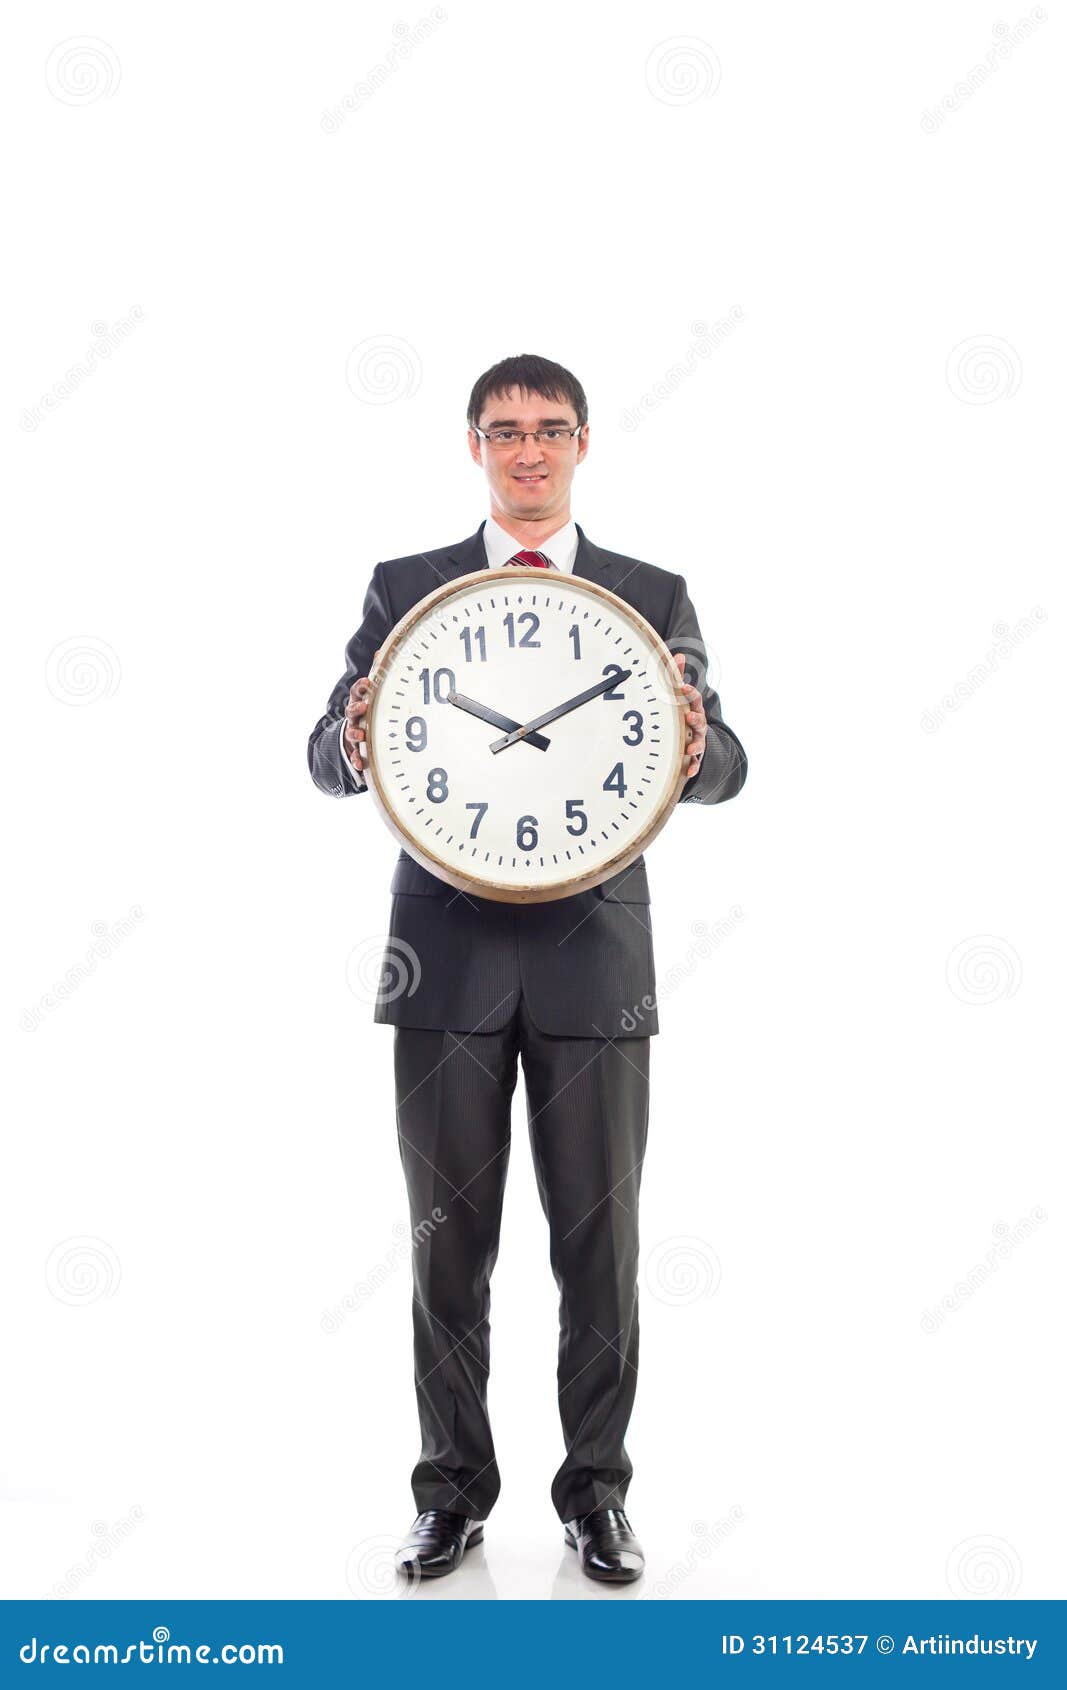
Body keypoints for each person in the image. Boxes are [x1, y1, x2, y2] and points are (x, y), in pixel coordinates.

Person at [307, 354, 748, 1584]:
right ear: (473, 448)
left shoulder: (647, 594)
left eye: (550, 430)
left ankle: (594, 1497)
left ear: (584, 443)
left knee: (597, 1248)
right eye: (504, 432)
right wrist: (351, 738)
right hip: (442, 966)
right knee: (446, 1246)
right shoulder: (409, 589)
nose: (528, 451)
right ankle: (449, 1497)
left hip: (593, 966)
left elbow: (725, 768)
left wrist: (695, 741)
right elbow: (324, 754)